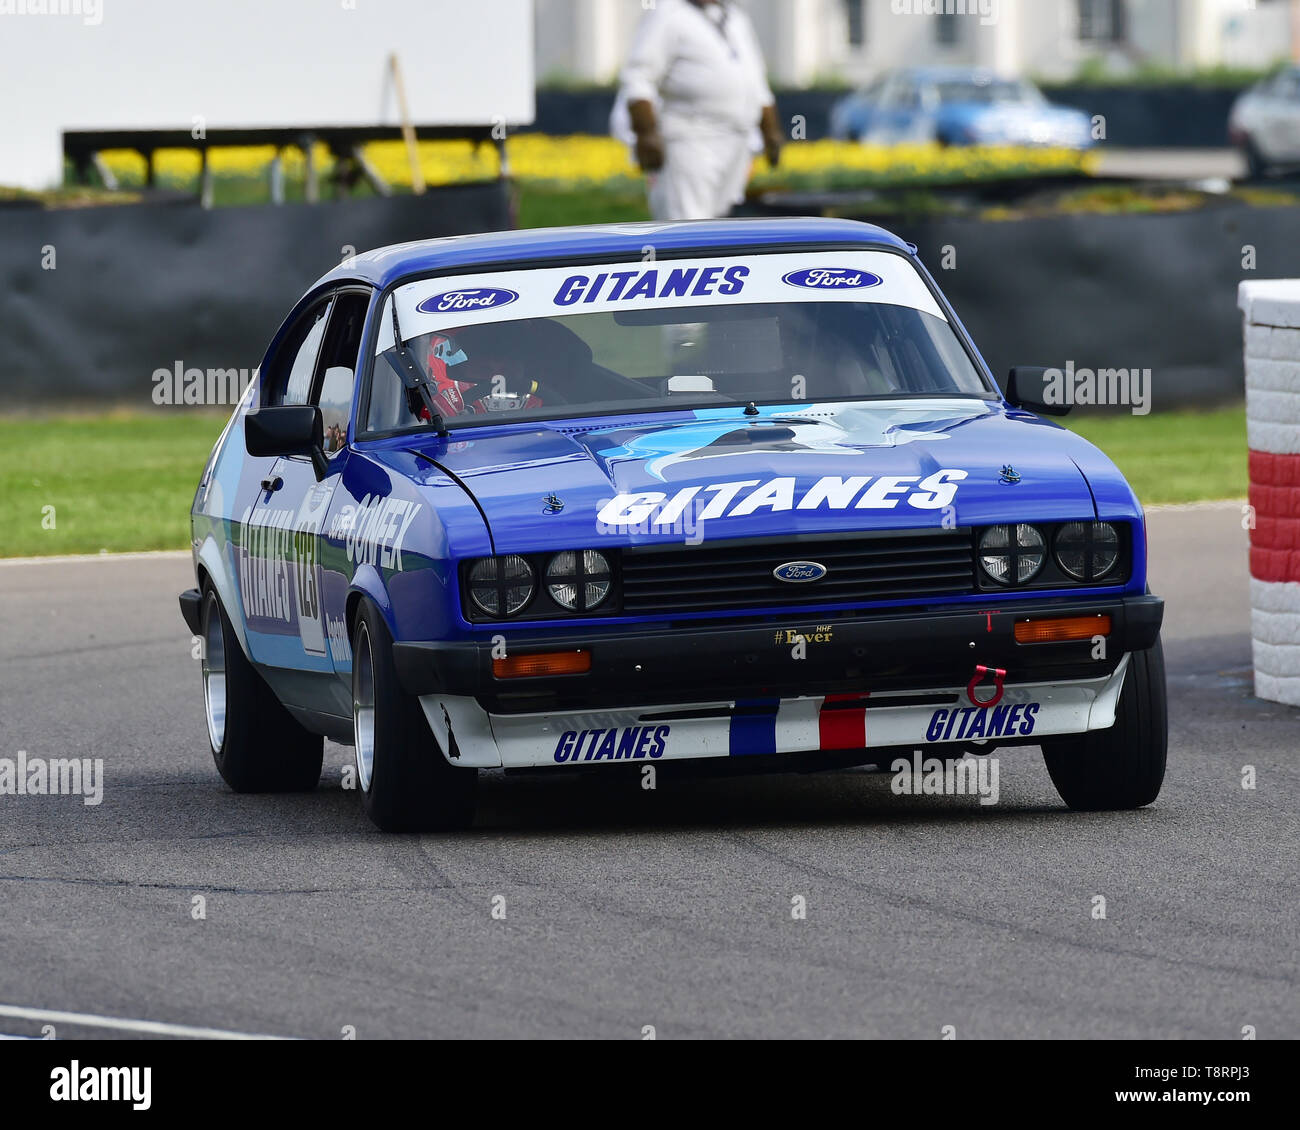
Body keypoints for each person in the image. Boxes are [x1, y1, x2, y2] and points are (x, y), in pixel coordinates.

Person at [613, 0, 782, 221]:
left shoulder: (735, 18)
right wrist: (646, 133)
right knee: (687, 227)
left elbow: (756, 83)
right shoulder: (668, 15)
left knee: (721, 228)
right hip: (691, 143)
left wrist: (771, 131)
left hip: (736, 142)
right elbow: (638, 78)